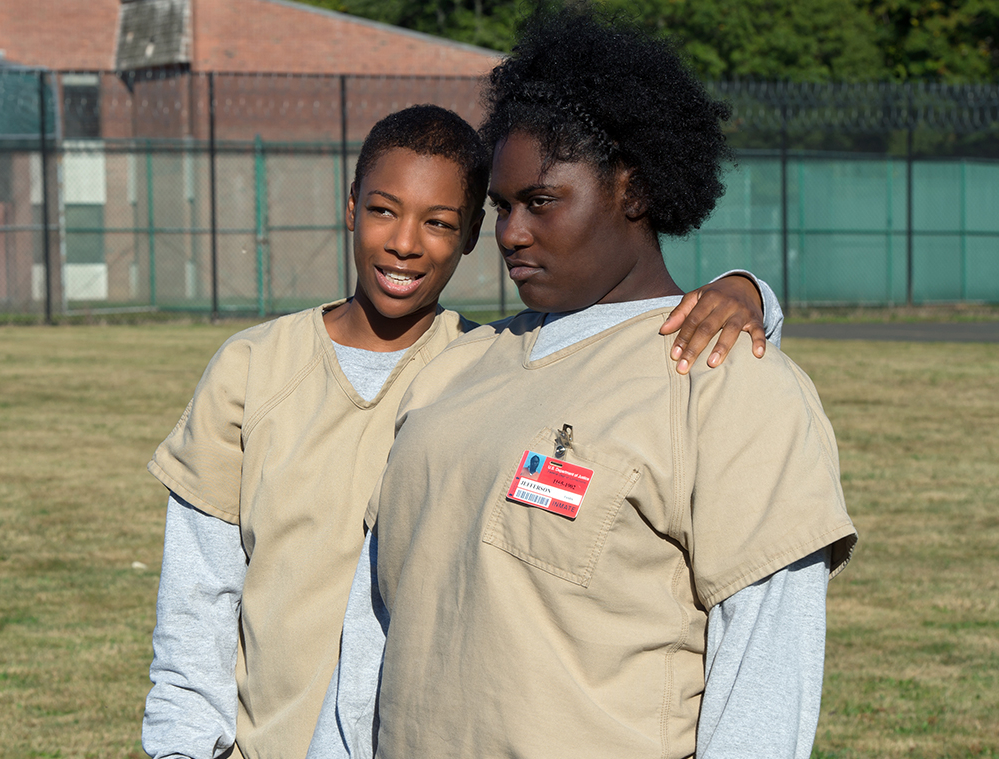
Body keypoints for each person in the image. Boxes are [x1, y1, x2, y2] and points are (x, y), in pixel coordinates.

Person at [142, 104, 781, 759]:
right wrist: (184, 747)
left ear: (471, 233)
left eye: (440, 222)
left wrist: (748, 292)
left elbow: (617, 355)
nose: (405, 243)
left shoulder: (477, 369)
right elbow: (198, 593)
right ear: (352, 205)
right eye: (384, 210)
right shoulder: (255, 367)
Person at [311, 8, 856, 759]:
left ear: (631, 190)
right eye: (501, 206)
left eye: (540, 201)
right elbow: (371, 624)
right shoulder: (456, 369)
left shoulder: (728, 383)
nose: (508, 231)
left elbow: (768, 664)